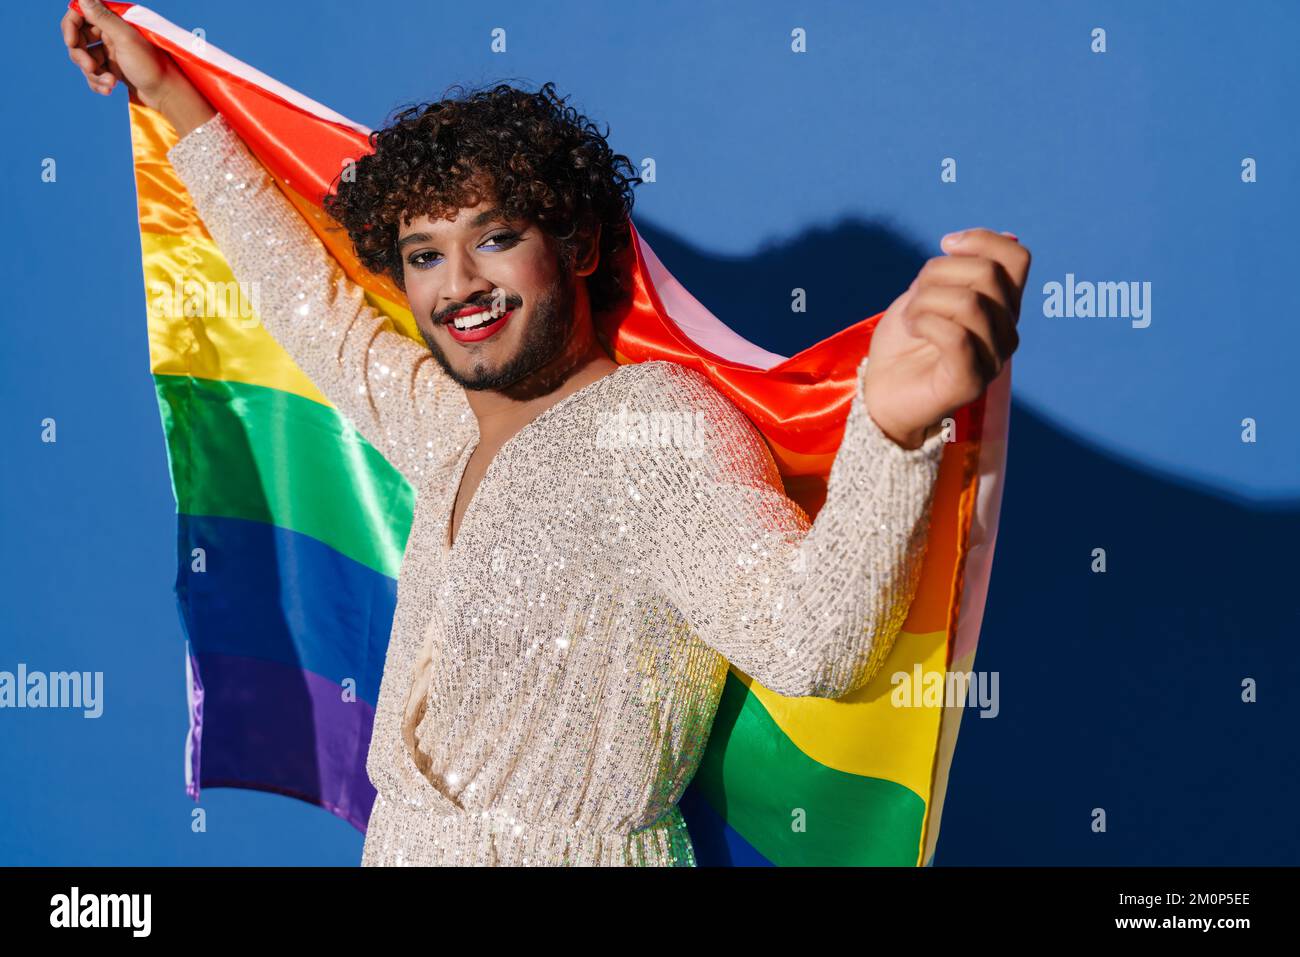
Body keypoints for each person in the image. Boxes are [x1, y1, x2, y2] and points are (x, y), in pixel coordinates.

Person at [63, 0, 1028, 866]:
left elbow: (813, 644)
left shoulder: (653, 429)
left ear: (578, 244)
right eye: (424, 255)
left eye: (493, 238)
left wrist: (892, 431)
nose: (460, 285)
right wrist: (164, 89)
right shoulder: (441, 427)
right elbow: (304, 302)